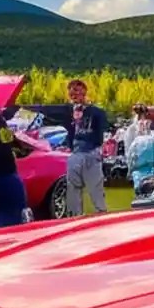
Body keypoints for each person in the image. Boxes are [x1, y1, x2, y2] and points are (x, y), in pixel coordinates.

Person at [64, 78, 108, 216]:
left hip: (91, 153)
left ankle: (101, 216)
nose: (74, 95)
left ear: (84, 92)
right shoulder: (68, 112)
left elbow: (101, 133)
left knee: (95, 189)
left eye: (76, 91)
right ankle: (75, 218)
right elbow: (69, 132)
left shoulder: (96, 112)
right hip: (75, 154)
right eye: (71, 92)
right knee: (73, 189)